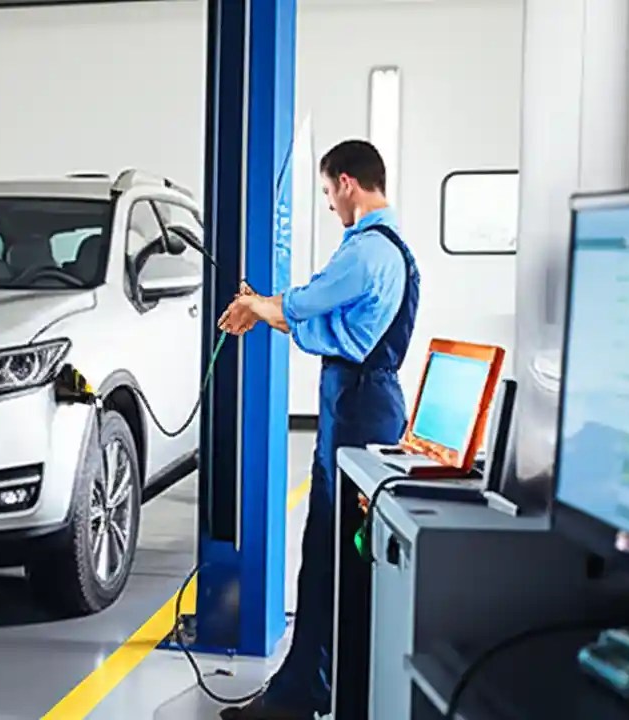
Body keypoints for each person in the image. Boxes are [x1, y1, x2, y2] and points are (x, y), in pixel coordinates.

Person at [216, 139, 421, 720]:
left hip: (360, 406)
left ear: (349, 183)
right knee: (325, 552)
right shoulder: (380, 249)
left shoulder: (368, 251)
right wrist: (263, 309)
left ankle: (321, 692)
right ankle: (312, 685)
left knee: (343, 559)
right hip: (351, 401)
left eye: (330, 191)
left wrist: (262, 307)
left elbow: (310, 303)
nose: (330, 203)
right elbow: (322, 323)